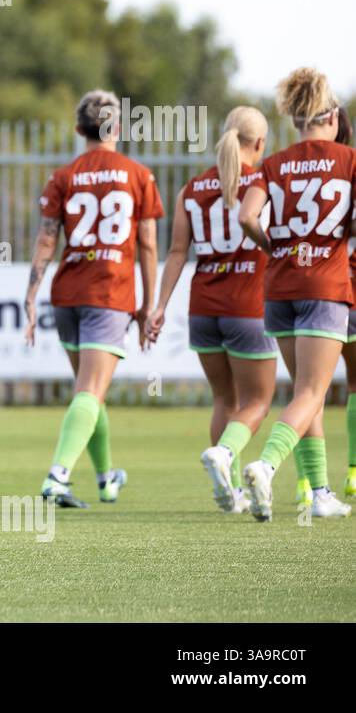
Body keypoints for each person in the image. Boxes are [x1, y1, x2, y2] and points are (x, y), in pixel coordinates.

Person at [24, 89, 163, 508]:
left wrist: (31, 297)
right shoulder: (138, 174)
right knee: (90, 390)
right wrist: (148, 306)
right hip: (109, 293)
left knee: (90, 391)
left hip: (67, 294)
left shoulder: (63, 176)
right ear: (116, 128)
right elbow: (148, 246)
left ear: (78, 129)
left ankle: (106, 478)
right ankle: (57, 477)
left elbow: (47, 239)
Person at [238, 68, 354, 521]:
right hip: (324, 286)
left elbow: (249, 217)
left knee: (308, 394)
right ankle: (266, 465)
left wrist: (276, 246)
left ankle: (321, 493)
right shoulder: (349, 160)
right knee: (311, 392)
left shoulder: (274, 163)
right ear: (332, 115)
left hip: (279, 287)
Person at [148, 107, 274, 513]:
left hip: (202, 306)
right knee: (258, 401)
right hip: (249, 304)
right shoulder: (264, 180)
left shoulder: (192, 188)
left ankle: (231, 492)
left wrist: (159, 306)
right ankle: (224, 455)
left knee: (224, 398)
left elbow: (177, 252)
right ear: (259, 144)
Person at [336, 106, 356, 498]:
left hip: (320, 289)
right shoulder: (350, 169)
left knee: (309, 390)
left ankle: (309, 483)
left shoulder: (292, 172)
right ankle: (353, 473)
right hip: (347, 289)